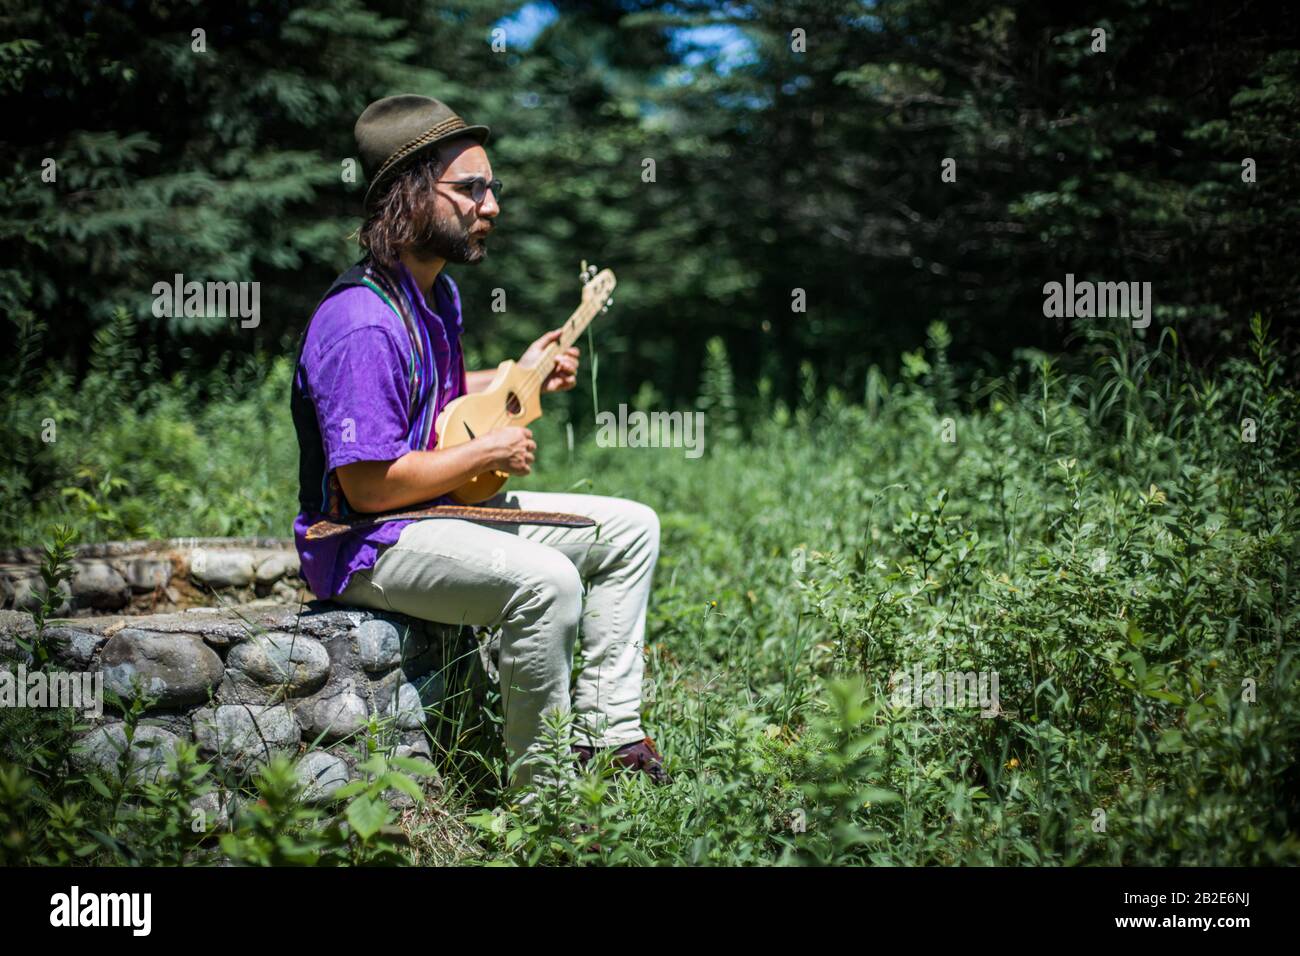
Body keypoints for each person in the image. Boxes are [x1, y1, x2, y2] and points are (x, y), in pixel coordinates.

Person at [290, 94, 668, 791]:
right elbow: (369, 488)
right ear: (407, 198)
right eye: (470, 189)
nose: (491, 205)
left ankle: (607, 739)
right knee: (546, 580)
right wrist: (487, 455)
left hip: (426, 518)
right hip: (363, 543)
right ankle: (545, 800)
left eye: (490, 187)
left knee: (631, 529)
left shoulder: (435, 296)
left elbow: (438, 395)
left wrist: (520, 375)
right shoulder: (361, 324)